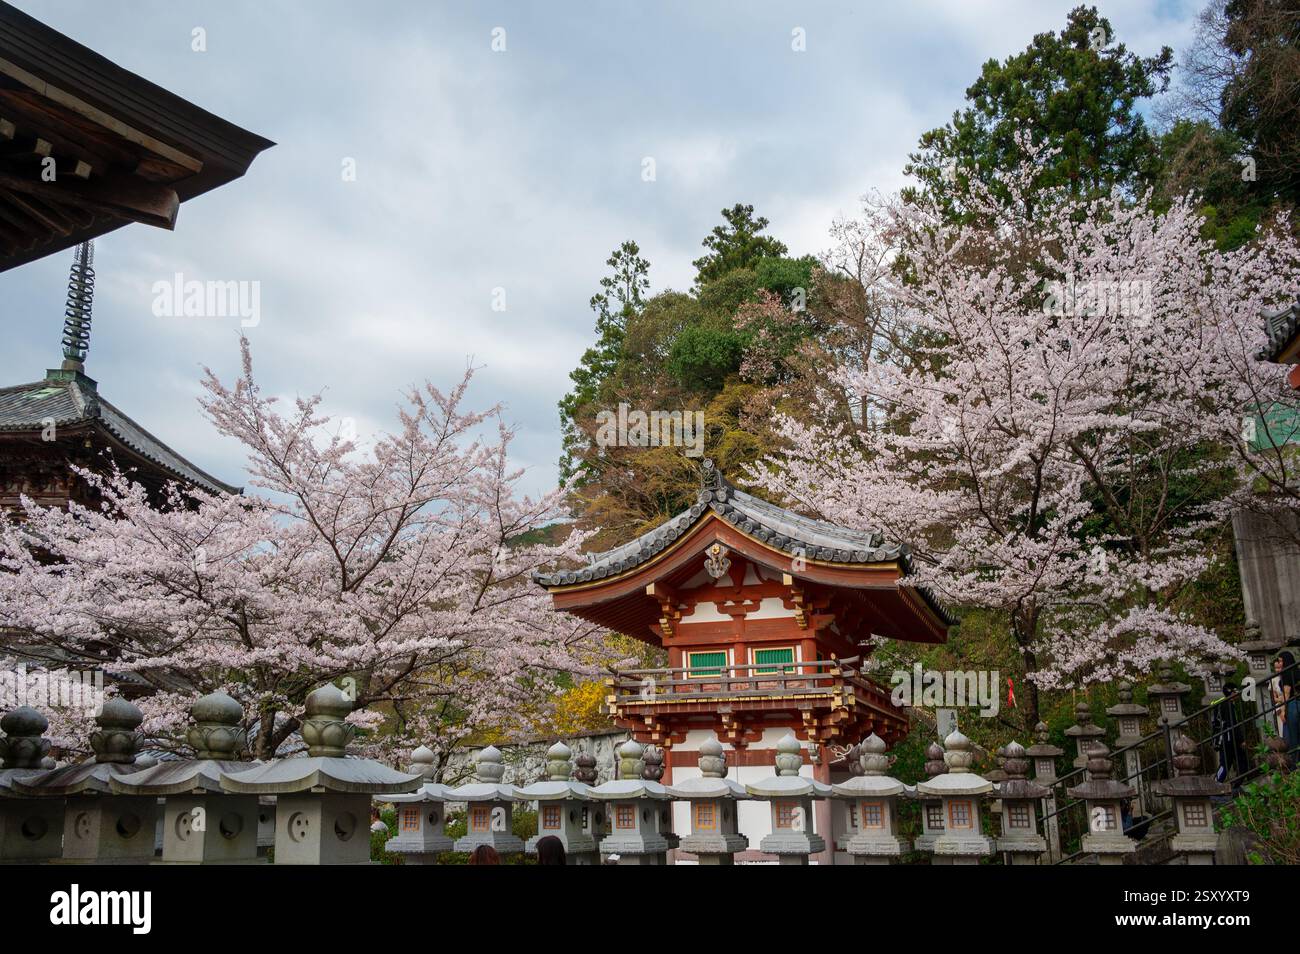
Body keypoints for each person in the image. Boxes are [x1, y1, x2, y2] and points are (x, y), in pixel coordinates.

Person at [1274, 651, 1300, 766]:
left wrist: (1283, 711)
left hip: (1293, 705)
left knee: (1292, 738)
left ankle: (1295, 764)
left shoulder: (1286, 673)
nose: (1279, 663)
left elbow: (1286, 694)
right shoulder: (1297, 671)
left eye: (1280, 661)